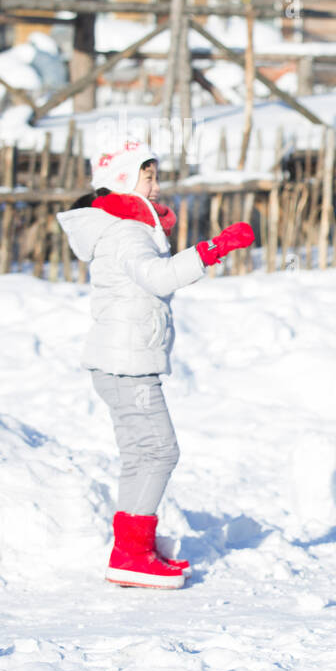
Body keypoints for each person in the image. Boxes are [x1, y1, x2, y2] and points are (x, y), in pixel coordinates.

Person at [57, 141, 254, 589]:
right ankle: (130, 553)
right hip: (126, 362)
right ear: (125, 180)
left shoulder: (121, 226)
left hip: (121, 359)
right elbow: (157, 277)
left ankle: (134, 546)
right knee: (160, 451)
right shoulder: (126, 230)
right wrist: (212, 249)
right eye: (148, 177)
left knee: (141, 454)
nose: (157, 185)